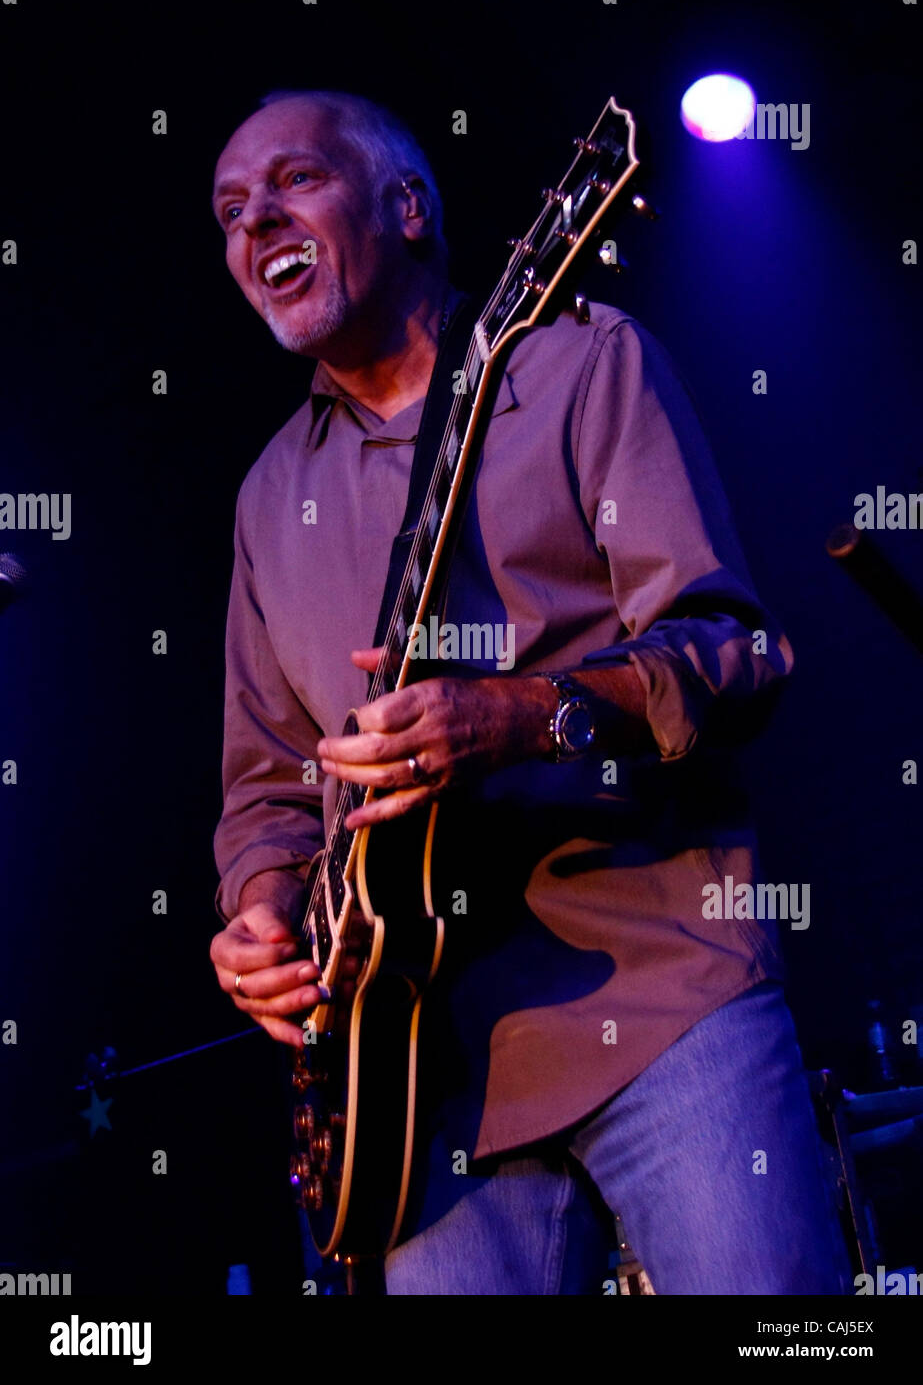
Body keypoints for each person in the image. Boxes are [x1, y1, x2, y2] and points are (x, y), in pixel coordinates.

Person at [208, 89, 850, 1294]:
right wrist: (261, 912)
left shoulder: (582, 364)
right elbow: (266, 790)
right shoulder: (265, 498)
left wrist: (518, 716)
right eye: (231, 212)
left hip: (661, 992)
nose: (255, 225)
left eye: (293, 181)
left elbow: (735, 655)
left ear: (408, 206)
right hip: (419, 1074)